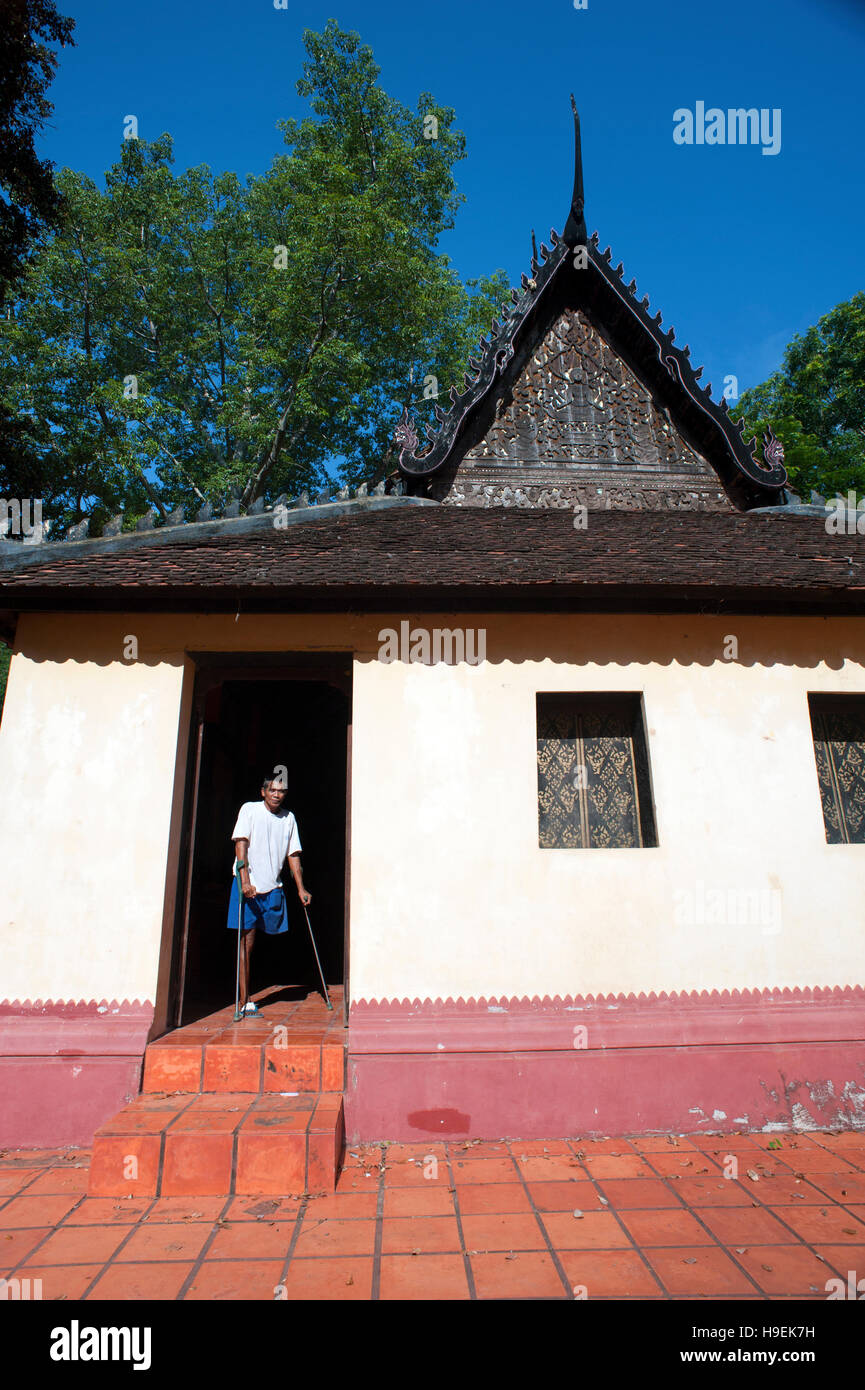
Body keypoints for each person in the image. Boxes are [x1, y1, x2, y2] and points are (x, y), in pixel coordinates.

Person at [227, 769, 311, 1016]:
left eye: (281, 791)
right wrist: (244, 880)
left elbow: (293, 854)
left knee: (273, 936)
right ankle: (245, 1000)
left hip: (273, 887)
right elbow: (240, 844)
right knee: (247, 942)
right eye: (271, 790)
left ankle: (260, 984)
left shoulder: (288, 818)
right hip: (248, 886)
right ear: (263, 792)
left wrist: (301, 888)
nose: (276, 794)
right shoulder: (250, 810)